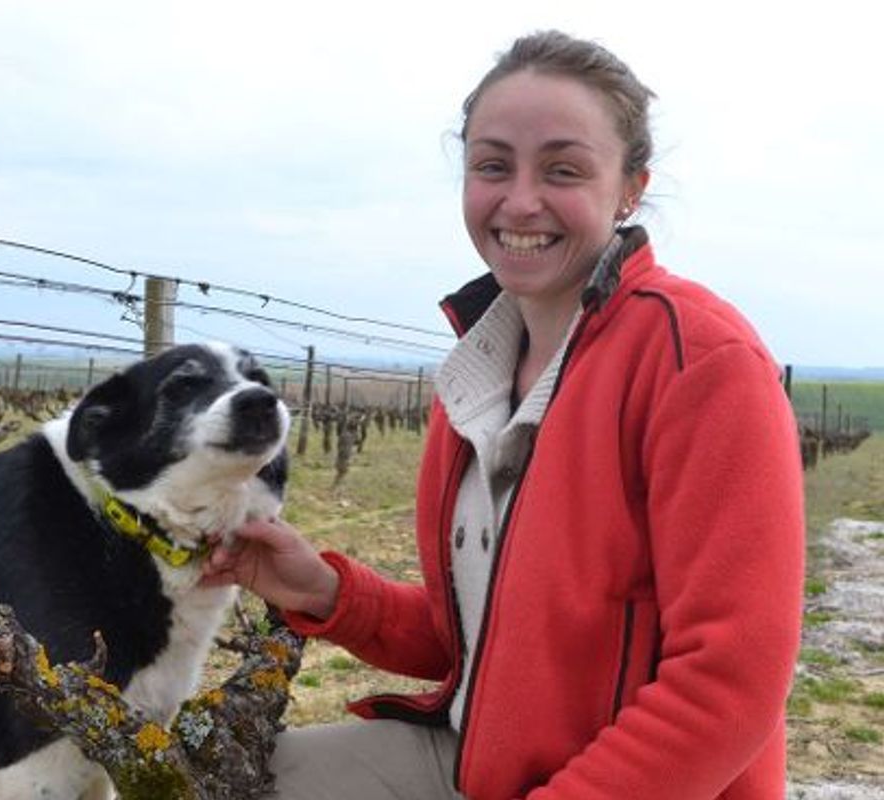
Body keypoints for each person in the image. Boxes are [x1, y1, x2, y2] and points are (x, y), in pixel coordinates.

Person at [202, 29, 805, 800]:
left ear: (630, 188)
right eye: (493, 166)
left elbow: (732, 685)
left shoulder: (698, 361)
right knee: (217, 780)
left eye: (563, 169)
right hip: (478, 763)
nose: (520, 201)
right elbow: (490, 643)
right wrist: (324, 591)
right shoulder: (479, 372)